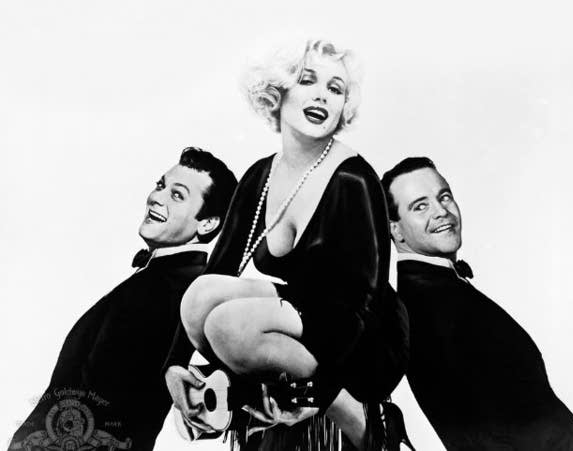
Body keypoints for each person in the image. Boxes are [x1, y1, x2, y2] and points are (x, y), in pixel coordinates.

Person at [164, 40, 409, 450]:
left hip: (363, 333)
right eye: (307, 81)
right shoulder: (260, 176)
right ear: (276, 93)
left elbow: (365, 304)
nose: (322, 96)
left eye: (335, 88)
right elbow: (218, 270)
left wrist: (321, 389)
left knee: (228, 327)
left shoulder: (354, 180)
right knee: (199, 299)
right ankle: (246, 394)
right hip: (305, 315)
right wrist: (173, 366)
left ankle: (354, 414)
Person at [9, 148, 237, 451]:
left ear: (207, 224)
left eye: (177, 195)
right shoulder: (164, 281)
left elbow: (106, 405)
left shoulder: (167, 290)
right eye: (160, 186)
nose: (156, 198)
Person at [381, 157, 573, 450]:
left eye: (444, 197)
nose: (441, 211)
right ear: (395, 230)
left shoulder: (439, 291)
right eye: (420, 206)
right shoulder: (430, 306)